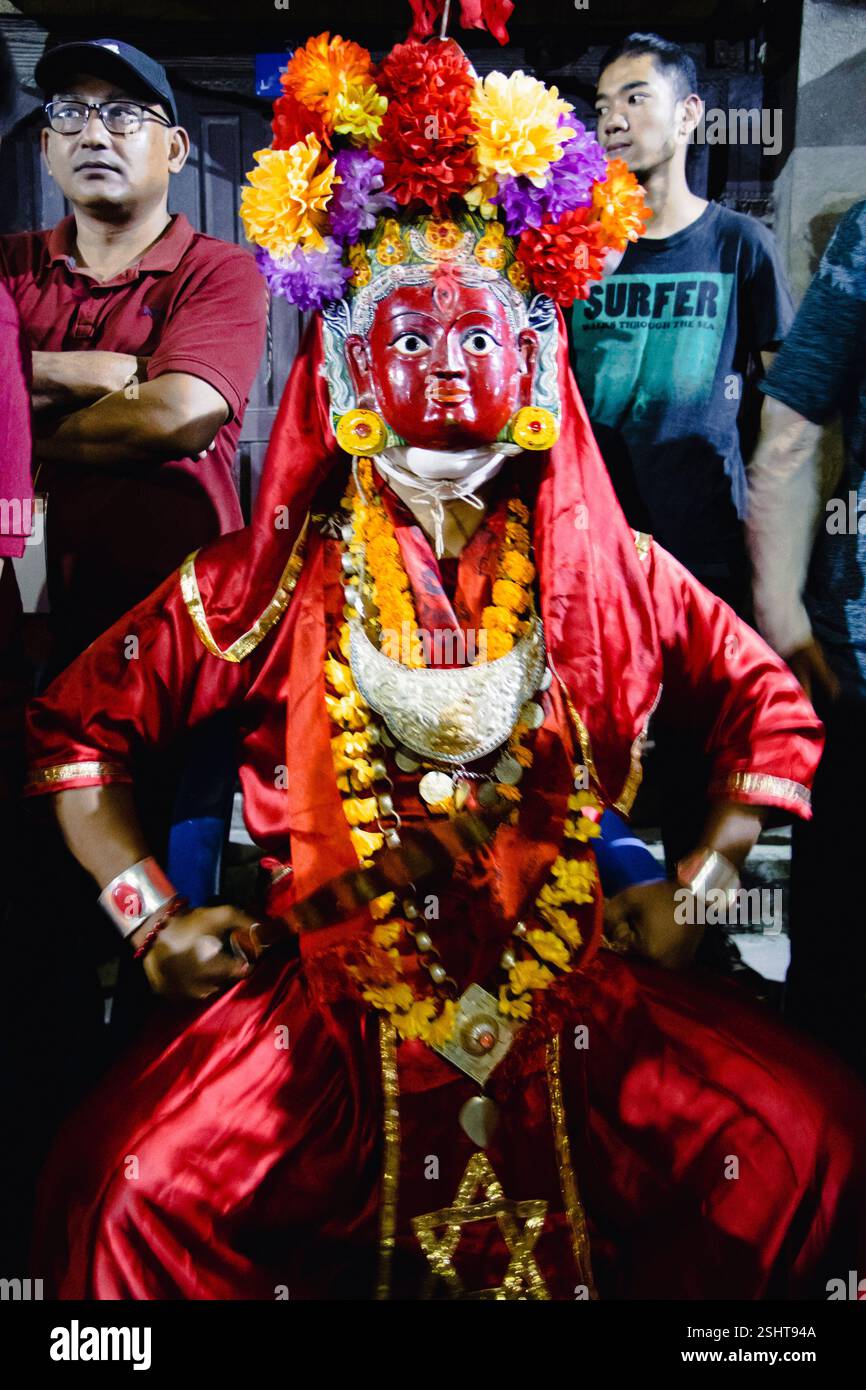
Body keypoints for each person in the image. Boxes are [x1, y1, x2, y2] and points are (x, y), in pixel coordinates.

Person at [26, 29, 865, 1301]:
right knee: (118, 1193)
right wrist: (151, 918)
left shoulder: (606, 569)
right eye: (408, 339)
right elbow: (77, 729)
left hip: (572, 1004)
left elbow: (769, 707)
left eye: (474, 337)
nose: (443, 370)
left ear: (531, 358)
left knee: (815, 1144)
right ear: (353, 362)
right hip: (328, 1025)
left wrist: (699, 889)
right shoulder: (273, 576)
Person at [571, 31, 795, 893]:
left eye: (635, 98)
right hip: (594, 561)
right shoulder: (577, 253)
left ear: (691, 113)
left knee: (701, 765)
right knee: (601, 755)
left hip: (704, 559)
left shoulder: (739, 246)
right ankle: (604, 936)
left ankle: (692, 953)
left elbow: (784, 410)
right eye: (602, 108)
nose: (614, 120)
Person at [0, 37, 268, 672]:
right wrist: (112, 373)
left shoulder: (220, 271)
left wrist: (12, 418)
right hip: (32, 625)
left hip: (186, 623)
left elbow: (177, 417)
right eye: (70, 113)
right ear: (46, 149)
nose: (93, 135)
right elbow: (152, 409)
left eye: (122, 113)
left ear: (175, 149)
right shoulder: (8, 267)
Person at [746, 198, 866, 1078]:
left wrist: (782, 615)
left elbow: (788, 433)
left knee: (838, 958)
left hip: (854, 657)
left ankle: (824, 1170)